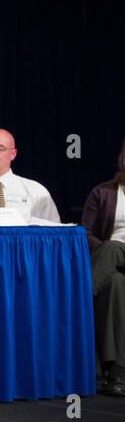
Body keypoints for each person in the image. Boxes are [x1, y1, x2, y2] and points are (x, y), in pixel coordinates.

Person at [81, 142, 125, 396]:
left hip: (114, 251)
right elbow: (85, 233)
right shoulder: (104, 192)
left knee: (111, 247)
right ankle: (117, 373)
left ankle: (78, 303)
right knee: (116, 283)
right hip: (114, 263)